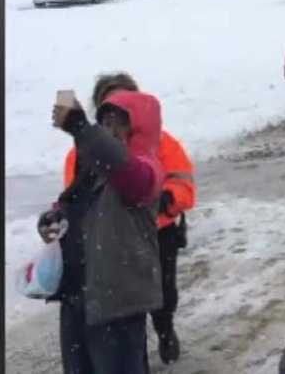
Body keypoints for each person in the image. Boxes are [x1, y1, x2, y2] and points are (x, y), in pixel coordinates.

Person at [60, 73, 195, 365]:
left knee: (161, 299)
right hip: (101, 263)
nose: (114, 124)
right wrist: (57, 217)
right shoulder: (84, 153)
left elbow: (148, 176)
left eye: (122, 112)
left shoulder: (152, 150)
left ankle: (164, 329)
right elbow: (75, 200)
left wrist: (169, 201)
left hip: (158, 233)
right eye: (108, 112)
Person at [39, 88, 165, 374]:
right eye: (105, 122)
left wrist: (82, 129)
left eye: (118, 122)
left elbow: (125, 171)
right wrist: (52, 220)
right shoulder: (93, 171)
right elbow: (68, 206)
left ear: (140, 128)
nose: (109, 129)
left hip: (116, 306)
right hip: (79, 302)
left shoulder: (148, 171)